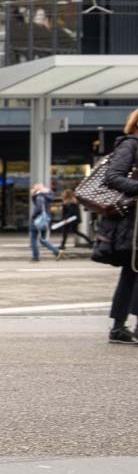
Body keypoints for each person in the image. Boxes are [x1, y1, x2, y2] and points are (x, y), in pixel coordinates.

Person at [103, 109, 138, 344]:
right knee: (131, 272)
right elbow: (113, 177)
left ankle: (119, 328)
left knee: (131, 273)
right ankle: (119, 327)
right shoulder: (130, 145)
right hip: (132, 222)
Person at [28, 183, 62, 262]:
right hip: (46, 220)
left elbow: (38, 208)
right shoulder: (48, 196)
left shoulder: (39, 196)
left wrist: (33, 216)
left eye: (34, 188)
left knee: (33, 239)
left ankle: (35, 257)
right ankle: (57, 251)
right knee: (43, 240)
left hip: (38, 220)